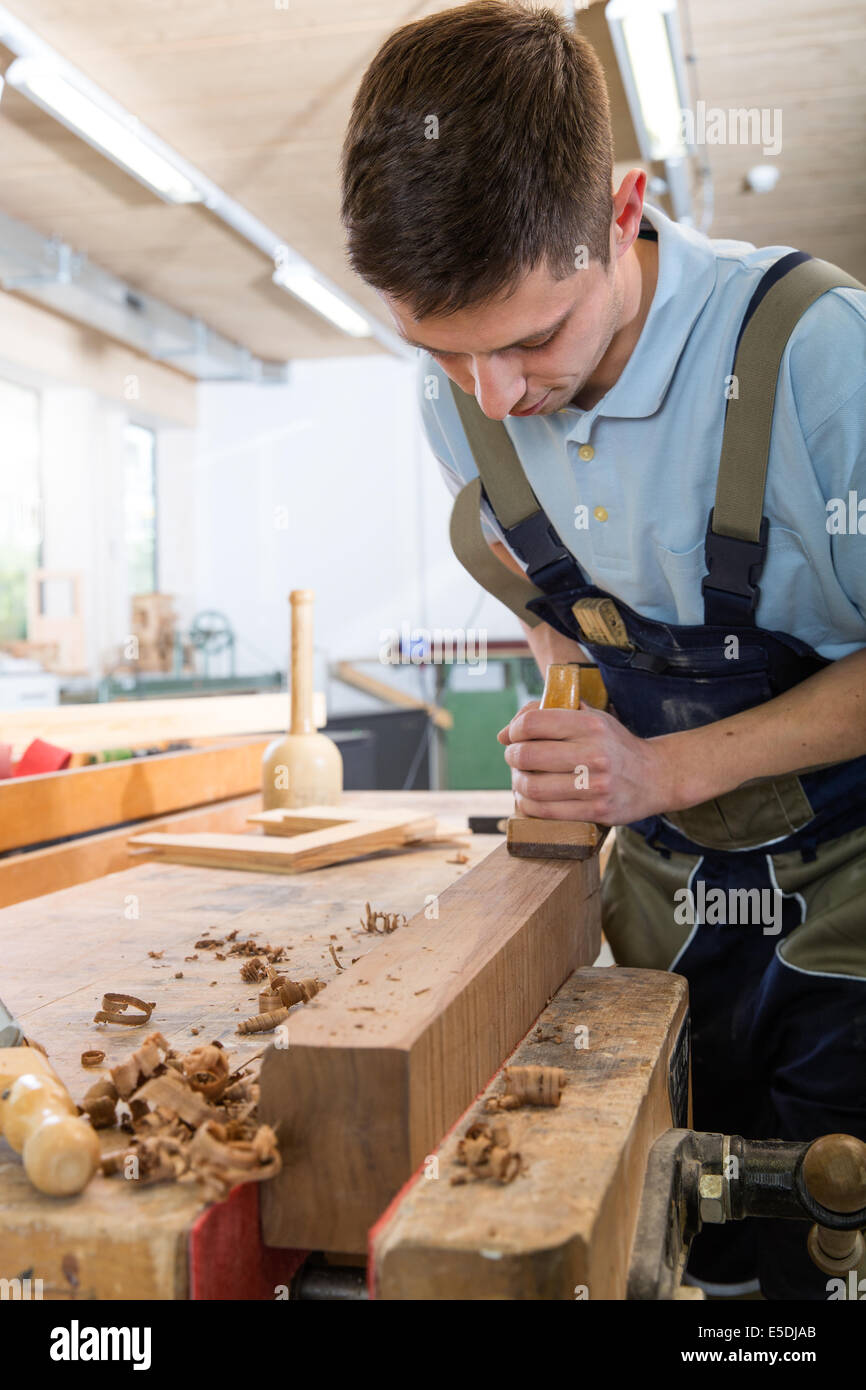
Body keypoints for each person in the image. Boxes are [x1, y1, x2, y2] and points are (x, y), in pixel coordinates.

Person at [340, 1, 866, 1298]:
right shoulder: (463, 396)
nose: (494, 398)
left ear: (624, 207)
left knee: (817, 1236)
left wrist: (661, 769)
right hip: (662, 901)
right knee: (661, 1227)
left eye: (529, 339)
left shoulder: (810, 357)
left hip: (848, 890)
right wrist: (572, 724)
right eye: (441, 349)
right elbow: (552, 599)